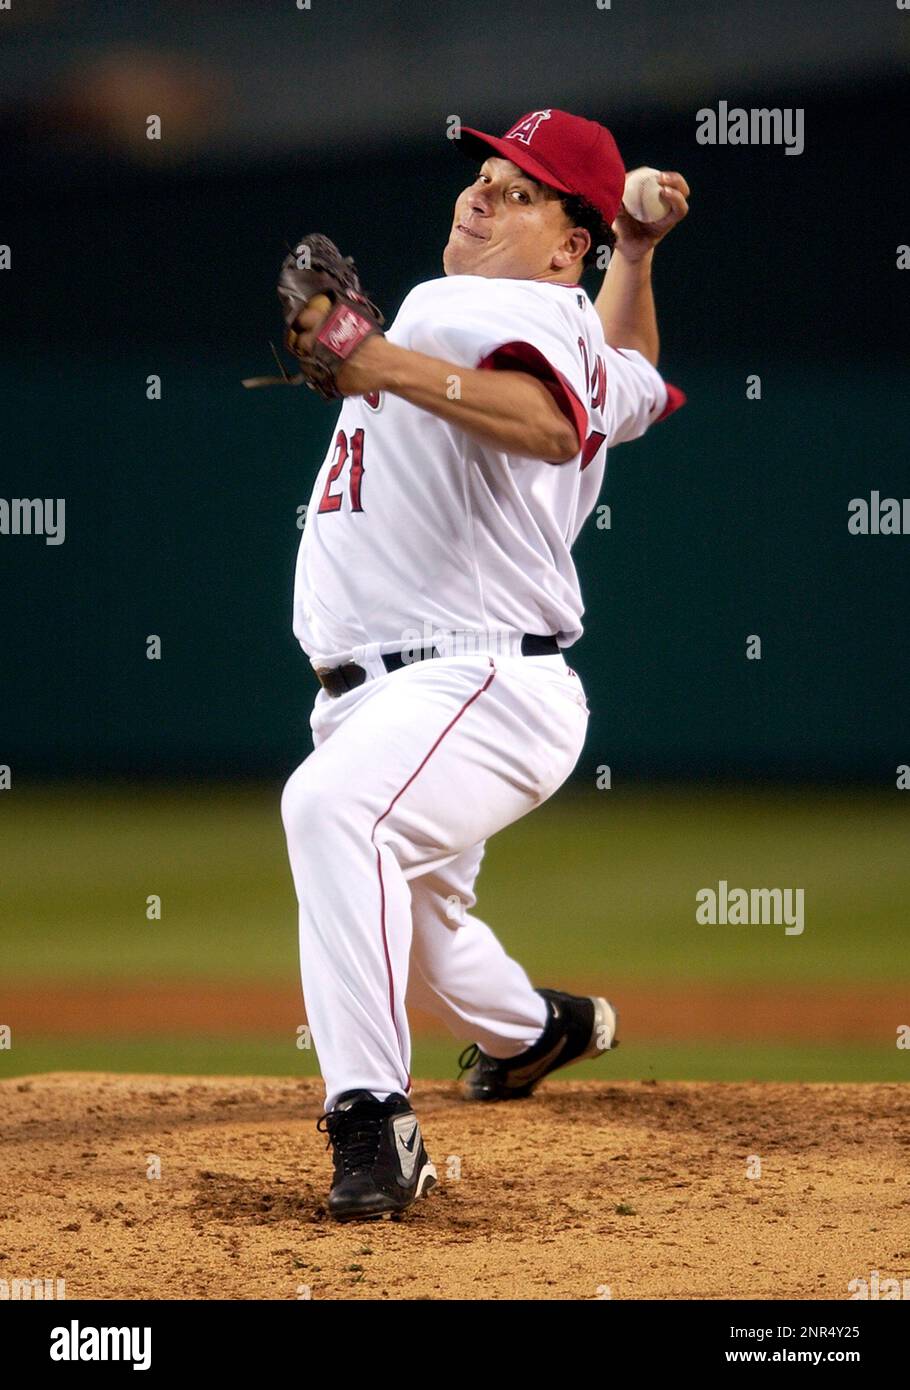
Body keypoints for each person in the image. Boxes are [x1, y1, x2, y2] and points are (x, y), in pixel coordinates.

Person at [280, 108, 689, 1220]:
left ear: (566, 246)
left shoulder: (469, 308)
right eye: (487, 174)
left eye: (521, 191)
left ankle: (372, 1122)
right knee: (429, 947)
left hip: (473, 681)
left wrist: (377, 356)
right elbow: (628, 372)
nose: (482, 193)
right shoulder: (560, 319)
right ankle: (537, 1033)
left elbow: (551, 426)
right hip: (410, 692)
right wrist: (637, 254)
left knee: (330, 815)